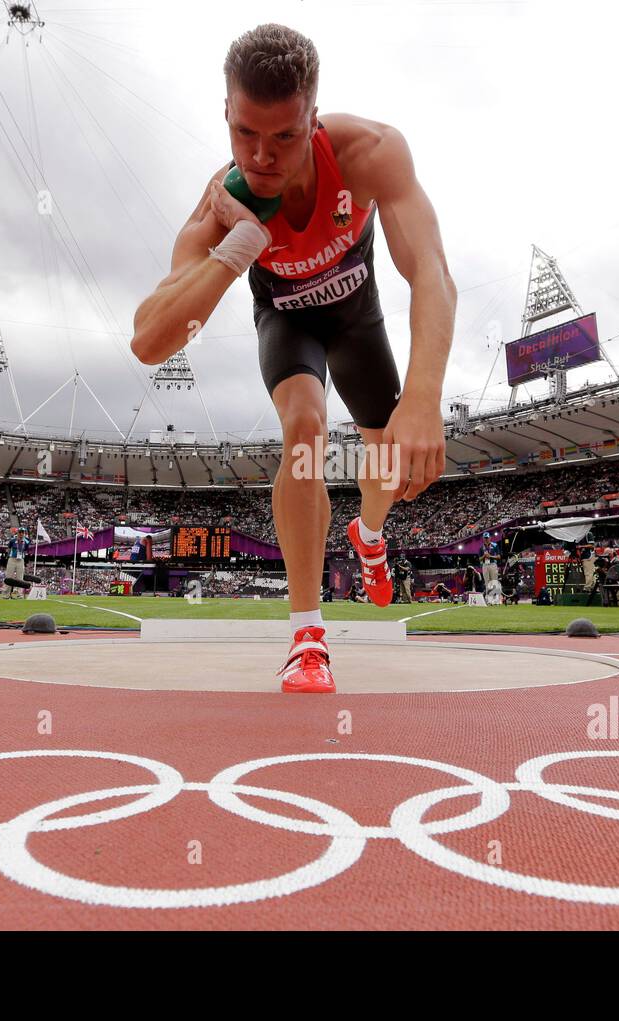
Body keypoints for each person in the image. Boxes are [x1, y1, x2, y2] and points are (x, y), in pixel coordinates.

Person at [130, 24, 455, 694]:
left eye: (283, 137)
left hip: (355, 313)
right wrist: (240, 242)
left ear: (313, 116)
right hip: (287, 319)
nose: (262, 155)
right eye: (245, 133)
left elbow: (431, 273)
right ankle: (308, 635)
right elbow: (150, 340)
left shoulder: (370, 151)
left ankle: (369, 536)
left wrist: (423, 396)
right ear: (226, 112)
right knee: (304, 429)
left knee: (385, 462)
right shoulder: (221, 208)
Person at [4, 528, 31, 599]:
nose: (21, 534)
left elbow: (26, 550)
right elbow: (9, 548)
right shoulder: (13, 540)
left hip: (21, 560)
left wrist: (22, 556)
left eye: (23, 532)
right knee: (9, 577)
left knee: (20, 577)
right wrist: (9, 556)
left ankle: (20, 594)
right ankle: (6, 594)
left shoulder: (27, 541)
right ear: (18, 533)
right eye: (20, 532)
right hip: (12, 559)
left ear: (24, 533)